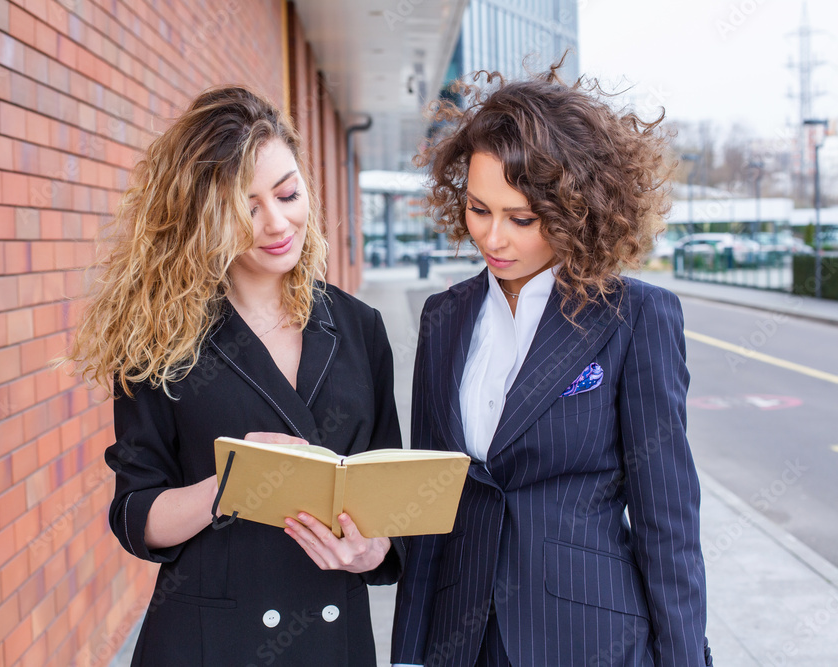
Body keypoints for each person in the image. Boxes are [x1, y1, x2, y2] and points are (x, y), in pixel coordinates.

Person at [66, 85, 403, 666]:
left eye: (288, 193)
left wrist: (372, 550)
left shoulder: (358, 326)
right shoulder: (162, 338)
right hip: (210, 639)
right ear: (205, 215)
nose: (278, 223)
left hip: (333, 636)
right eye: (247, 206)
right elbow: (134, 513)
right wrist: (229, 485)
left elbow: (390, 495)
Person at [391, 65, 713, 666]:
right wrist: (410, 653)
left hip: (588, 639)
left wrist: (684, 658)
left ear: (573, 209)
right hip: (462, 642)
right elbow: (430, 505)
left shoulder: (635, 317)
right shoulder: (443, 318)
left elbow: (665, 519)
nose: (493, 239)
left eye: (521, 218)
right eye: (478, 209)